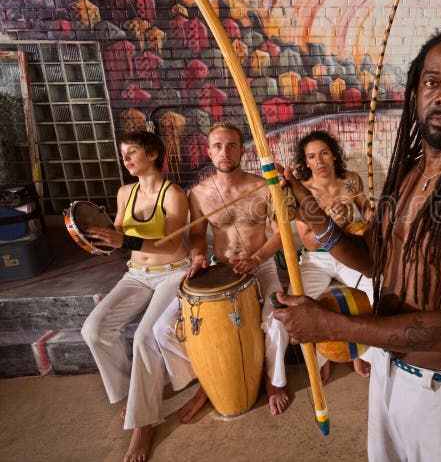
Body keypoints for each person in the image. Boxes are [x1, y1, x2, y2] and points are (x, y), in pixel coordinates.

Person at [274, 26, 441, 461]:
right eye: (432, 81)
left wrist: (332, 327)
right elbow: (373, 260)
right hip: (388, 369)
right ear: (415, 93)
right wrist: (311, 212)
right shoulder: (408, 175)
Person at [152, 121, 290, 415]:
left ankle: (274, 381)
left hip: (260, 265)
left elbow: (280, 234)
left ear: (242, 150)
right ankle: (207, 379)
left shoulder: (263, 186)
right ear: (209, 152)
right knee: (163, 328)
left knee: (277, 322)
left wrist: (256, 258)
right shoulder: (199, 193)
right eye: (218, 146)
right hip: (219, 268)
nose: (224, 152)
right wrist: (199, 257)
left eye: (231, 145)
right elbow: (199, 235)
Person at [81, 130, 191, 462]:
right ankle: (133, 394)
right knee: (94, 329)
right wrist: (96, 238)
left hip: (174, 271)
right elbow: (117, 231)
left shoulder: (174, 194)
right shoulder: (124, 192)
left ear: (153, 154)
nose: (126, 158)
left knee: (145, 337)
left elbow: (171, 243)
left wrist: (122, 241)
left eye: (132, 152)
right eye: (123, 153)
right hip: (136, 274)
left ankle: (143, 424)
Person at [291, 129, 374, 377]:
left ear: (334, 156)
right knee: (303, 302)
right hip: (317, 259)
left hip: (349, 252)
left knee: (375, 294)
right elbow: (311, 243)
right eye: (312, 156)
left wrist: (374, 217)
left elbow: (365, 209)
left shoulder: (350, 180)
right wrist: (332, 225)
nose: (319, 161)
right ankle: (322, 359)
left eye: (324, 153)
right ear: (305, 161)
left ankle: (361, 352)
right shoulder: (302, 192)